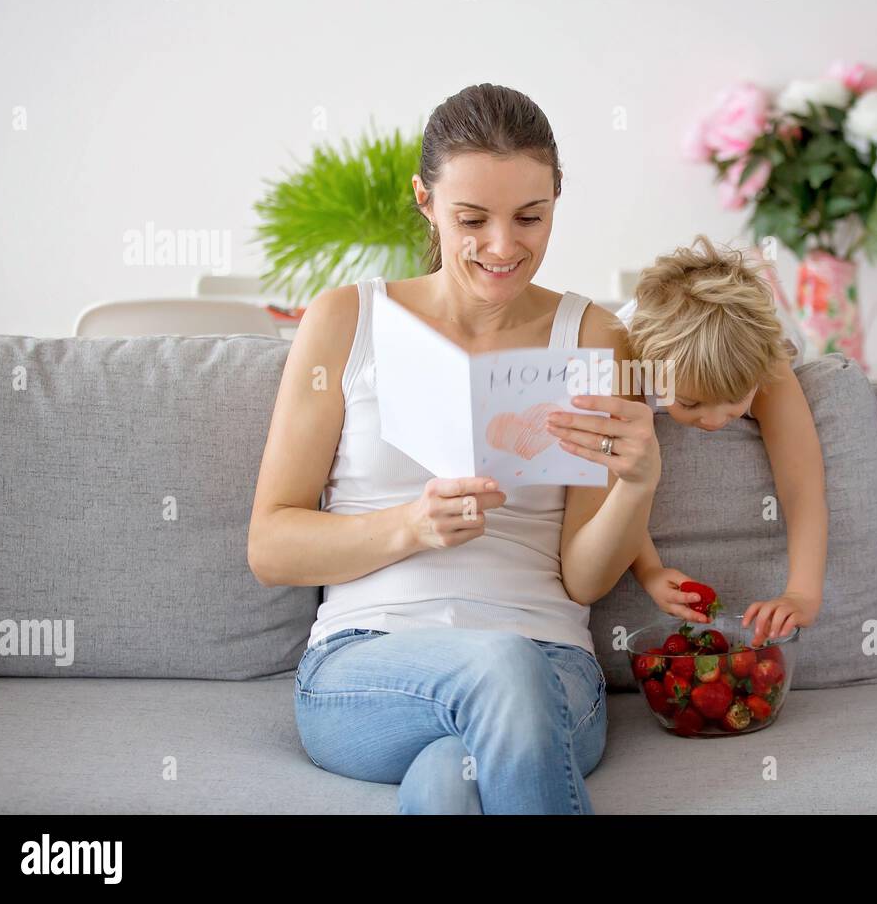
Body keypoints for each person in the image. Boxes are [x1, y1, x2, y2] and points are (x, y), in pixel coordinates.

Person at [247, 83, 661, 814]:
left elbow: (585, 581)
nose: (504, 247)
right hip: (365, 667)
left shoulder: (593, 337)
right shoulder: (346, 320)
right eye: (473, 219)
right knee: (497, 664)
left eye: (530, 217)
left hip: (550, 667)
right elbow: (272, 547)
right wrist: (410, 526)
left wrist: (636, 483)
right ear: (425, 200)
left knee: (449, 777)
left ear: (558, 200)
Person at [617, 235, 828, 646]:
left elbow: (802, 486)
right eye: (690, 402)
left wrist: (802, 593)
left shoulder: (768, 360)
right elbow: (617, 481)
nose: (714, 421)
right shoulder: (625, 363)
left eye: (735, 401)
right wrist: (650, 569)